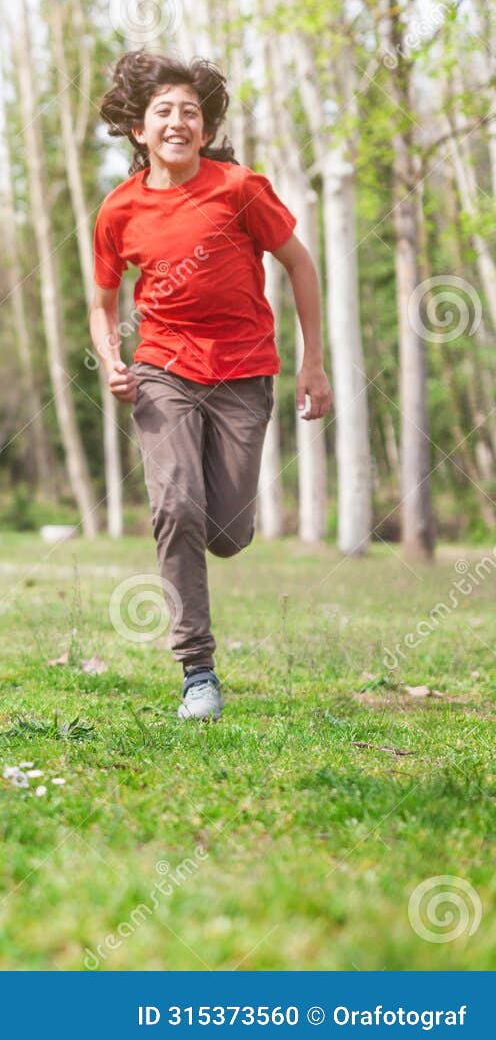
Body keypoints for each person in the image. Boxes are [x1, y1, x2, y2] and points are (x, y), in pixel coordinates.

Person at [89, 51, 333, 721]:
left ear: (204, 126)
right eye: (164, 111)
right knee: (174, 505)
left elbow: (299, 264)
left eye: (190, 111)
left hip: (243, 373)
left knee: (225, 531)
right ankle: (198, 669)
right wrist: (112, 357)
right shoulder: (119, 210)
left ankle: (217, 541)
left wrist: (313, 363)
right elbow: (103, 301)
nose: (178, 121)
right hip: (162, 369)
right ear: (139, 129)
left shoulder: (240, 188)